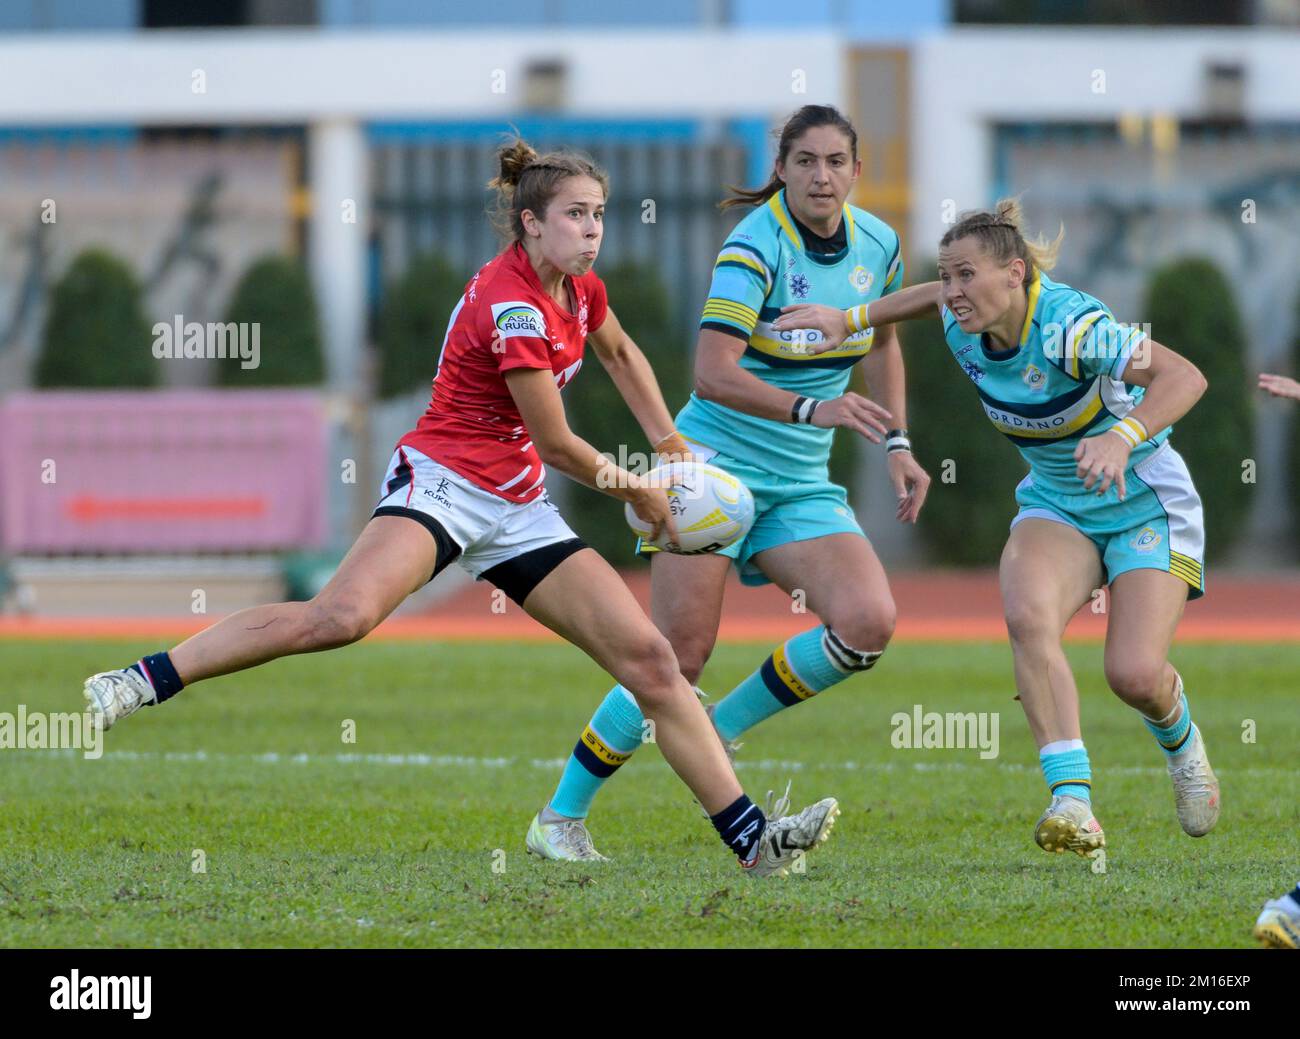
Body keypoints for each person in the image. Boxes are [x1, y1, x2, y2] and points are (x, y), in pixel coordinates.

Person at [81, 138, 839, 878]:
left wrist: (667, 438)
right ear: (531, 224)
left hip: (516, 503)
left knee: (652, 663)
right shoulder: (512, 305)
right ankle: (143, 678)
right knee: (338, 617)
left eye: (600, 214)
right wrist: (637, 485)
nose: (593, 230)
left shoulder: (579, 288)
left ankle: (753, 842)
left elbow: (619, 354)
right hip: (444, 482)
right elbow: (559, 442)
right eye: (576, 215)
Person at [527, 105, 929, 860]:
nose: (821, 175)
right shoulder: (755, 244)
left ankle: (720, 728)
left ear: (856, 170)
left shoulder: (879, 242)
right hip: (714, 471)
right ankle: (559, 817)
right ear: (780, 168)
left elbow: (884, 340)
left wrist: (898, 440)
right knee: (676, 656)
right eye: (805, 161)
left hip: (802, 484)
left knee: (869, 619)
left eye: (836, 161)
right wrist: (815, 406)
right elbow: (711, 376)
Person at [773, 198, 1219, 858]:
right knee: (1027, 616)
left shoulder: (1073, 327)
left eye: (967, 276)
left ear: (1015, 274)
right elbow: (924, 298)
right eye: (947, 276)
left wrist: (1123, 438)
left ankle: (1182, 743)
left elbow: (1186, 376)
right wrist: (851, 318)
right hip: (1058, 504)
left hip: (1145, 502)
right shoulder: (962, 320)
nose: (953, 292)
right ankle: (1072, 800)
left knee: (1133, 674)